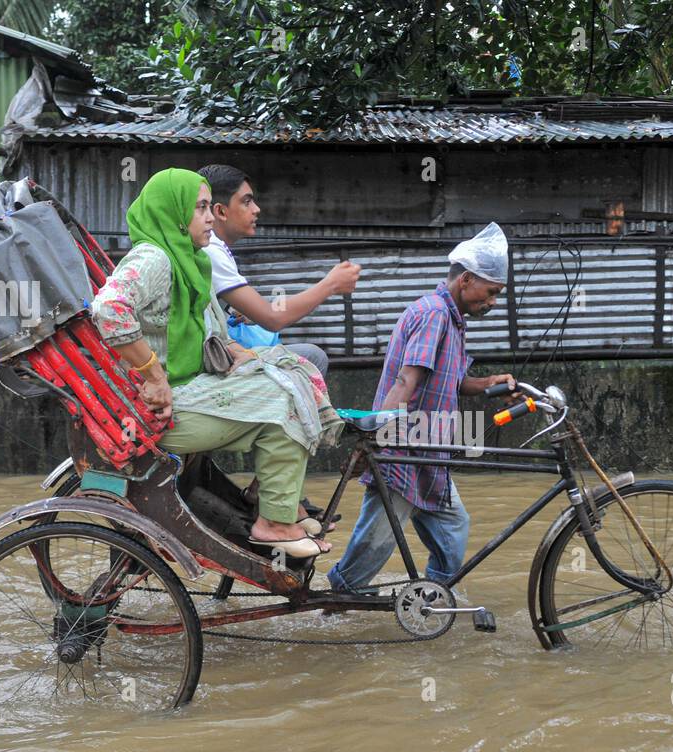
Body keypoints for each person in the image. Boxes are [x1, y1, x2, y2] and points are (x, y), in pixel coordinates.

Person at [89, 168, 342, 559]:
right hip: (158, 407)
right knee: (284, 400)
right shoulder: (155, 257)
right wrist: (153, 375)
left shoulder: (187, 257)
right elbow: (108, 309)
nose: (210, 217)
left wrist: (235, 352)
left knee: (292, 372)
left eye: (210, 207)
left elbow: (199, 330)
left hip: (188, 388)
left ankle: (279, 504)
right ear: (173, 213)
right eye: (201, 208)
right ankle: (272, 521)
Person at [327, 223, 517, 593]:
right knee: (376, 544)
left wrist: (489, 383)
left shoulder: (452, 320)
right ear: (465, 280)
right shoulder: (433, 314)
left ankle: (436, 600)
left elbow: (454, 382)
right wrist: (377, 441)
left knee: (454, 526)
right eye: (491, 292)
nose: (493, 302)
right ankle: (340, 598)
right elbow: (405, 382)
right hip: (402, 451)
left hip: (429, 451)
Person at [197, 163, 359, 378]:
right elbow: (272, 317)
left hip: (225, 350)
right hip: (215, 359)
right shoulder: (211, 250)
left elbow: (265, 309)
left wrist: (249, 312)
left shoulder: (217, 247)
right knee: (313, 356)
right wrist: (329, 285)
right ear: (221, 211)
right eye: (247, 201)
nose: (256, 209)